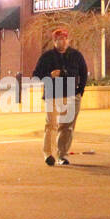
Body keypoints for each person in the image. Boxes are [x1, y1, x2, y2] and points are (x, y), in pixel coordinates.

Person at [32, 26, 88, 167]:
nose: (61, 42)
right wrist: (49, 76)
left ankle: (62, 155)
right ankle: (48, 154)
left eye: (64, 39)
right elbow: (36, 75)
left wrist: (80, 91)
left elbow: (83, 72)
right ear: (54, 41)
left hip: (71, 94)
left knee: (67, 126)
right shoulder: (47, 57)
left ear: (68, 40)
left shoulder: (76, 55)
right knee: (51, 124)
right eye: (58, 39)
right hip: (52, 94)